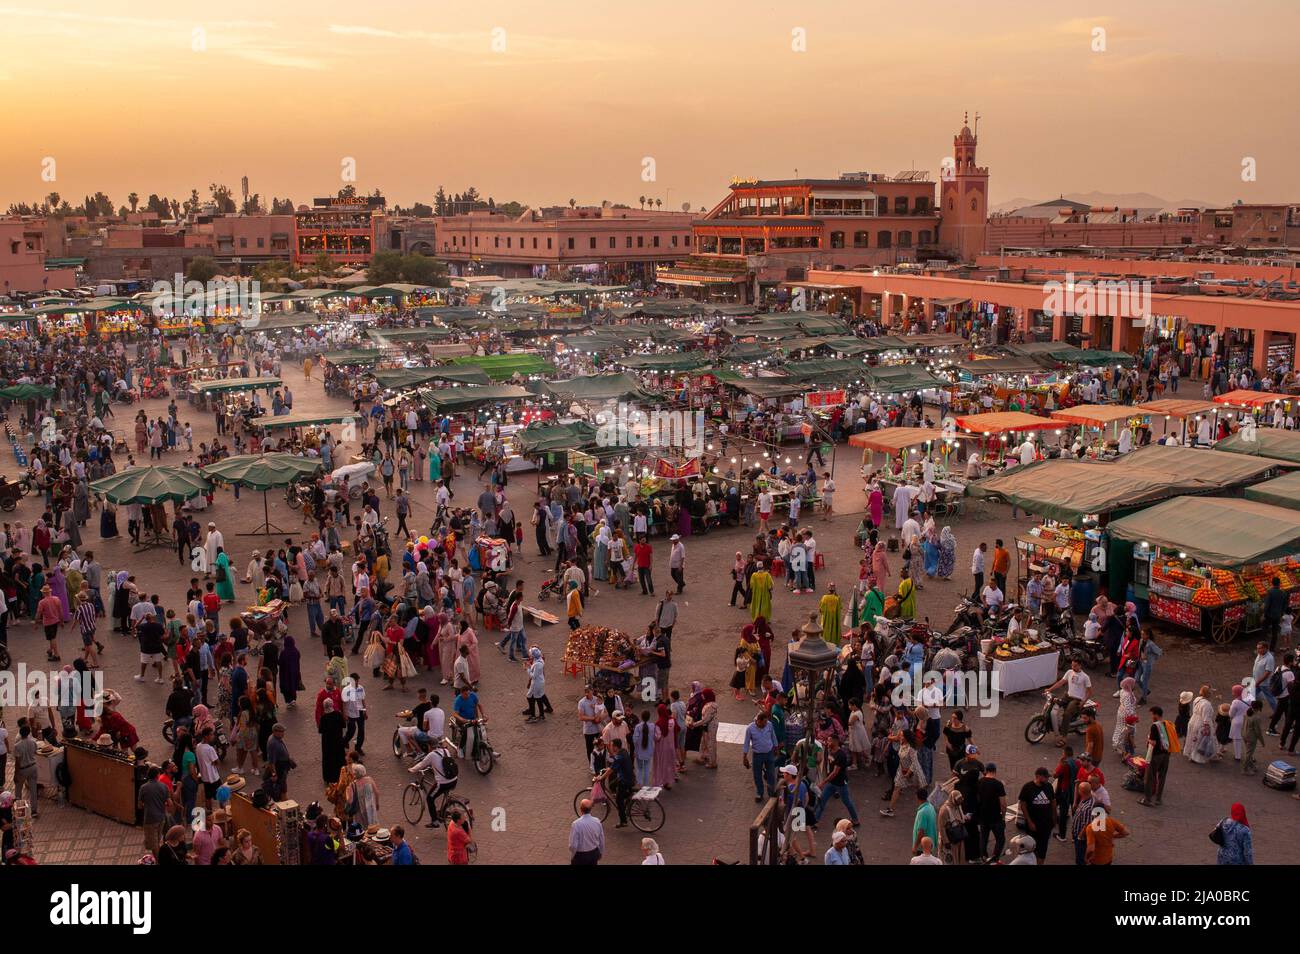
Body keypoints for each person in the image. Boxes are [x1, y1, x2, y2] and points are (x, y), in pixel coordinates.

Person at [1017, 767, 1055, 864]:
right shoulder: (1027, 787)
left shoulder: (1049, 787)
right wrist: (1029, 821)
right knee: (1031, 848)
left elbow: (1053, 802)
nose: (1047, 779)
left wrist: (1054, 818)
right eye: (1045, 777)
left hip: (1046, 825)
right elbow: (1023, 804)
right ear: (1038, 776)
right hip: (1033, 825)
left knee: (1043, 850)